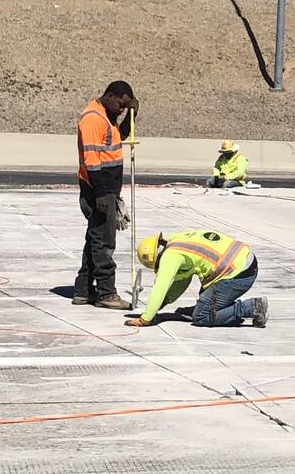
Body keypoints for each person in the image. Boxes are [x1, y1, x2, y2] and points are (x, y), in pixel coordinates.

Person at [74, 80, 136, 309]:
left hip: (107, 188)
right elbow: (91, 160)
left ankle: (83, 290)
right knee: (104, 242)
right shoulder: (93, 119)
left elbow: (120, 137)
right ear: (109, 96)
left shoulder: (108, 116)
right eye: (121, 104)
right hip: (98, 189)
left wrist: (132, 115)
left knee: (95, 239)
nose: (121, 109)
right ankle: (106, 293)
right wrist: (101, 194)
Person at [127, 230, 269, 329]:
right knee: (205, 299)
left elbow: (160, 287)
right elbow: (182, 281)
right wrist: (163, 302)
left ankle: (253, 307)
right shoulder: (178, 240)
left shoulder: (170, 257)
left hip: (237, 274)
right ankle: (211, 306)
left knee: (201, 316)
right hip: (244, 262)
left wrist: (146, 318)